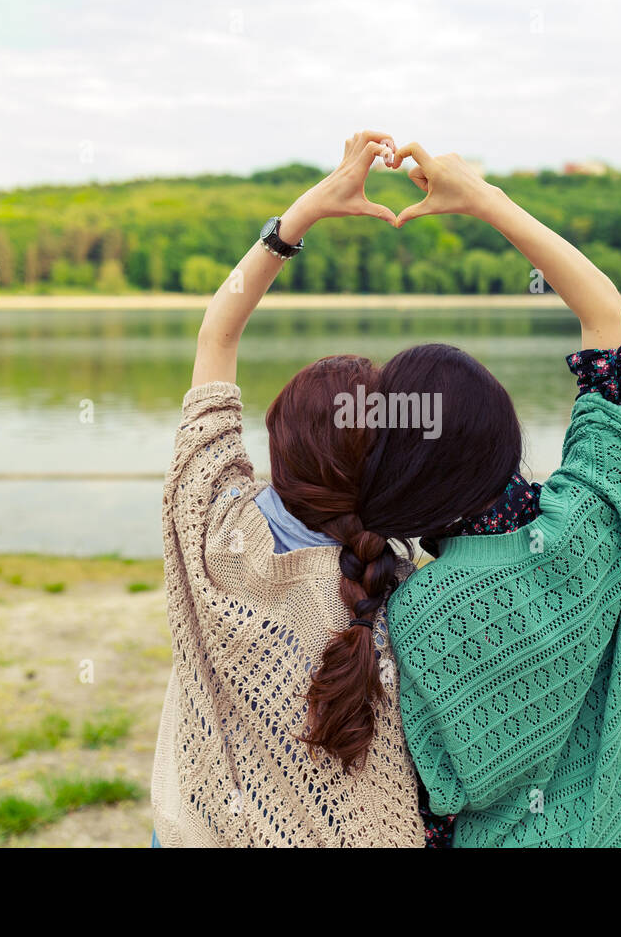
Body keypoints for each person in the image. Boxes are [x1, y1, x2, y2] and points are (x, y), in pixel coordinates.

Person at [355, 142, 621, 846]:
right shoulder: (587, 518)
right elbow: (605, 318)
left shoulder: (415, 609)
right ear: (501, 433)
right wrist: (484, 199)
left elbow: (435, 799)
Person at [151, 130, 424, 847]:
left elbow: (218, 333)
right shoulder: (413, 592)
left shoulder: (215, 530)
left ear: (278, 442)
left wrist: (299, 217)